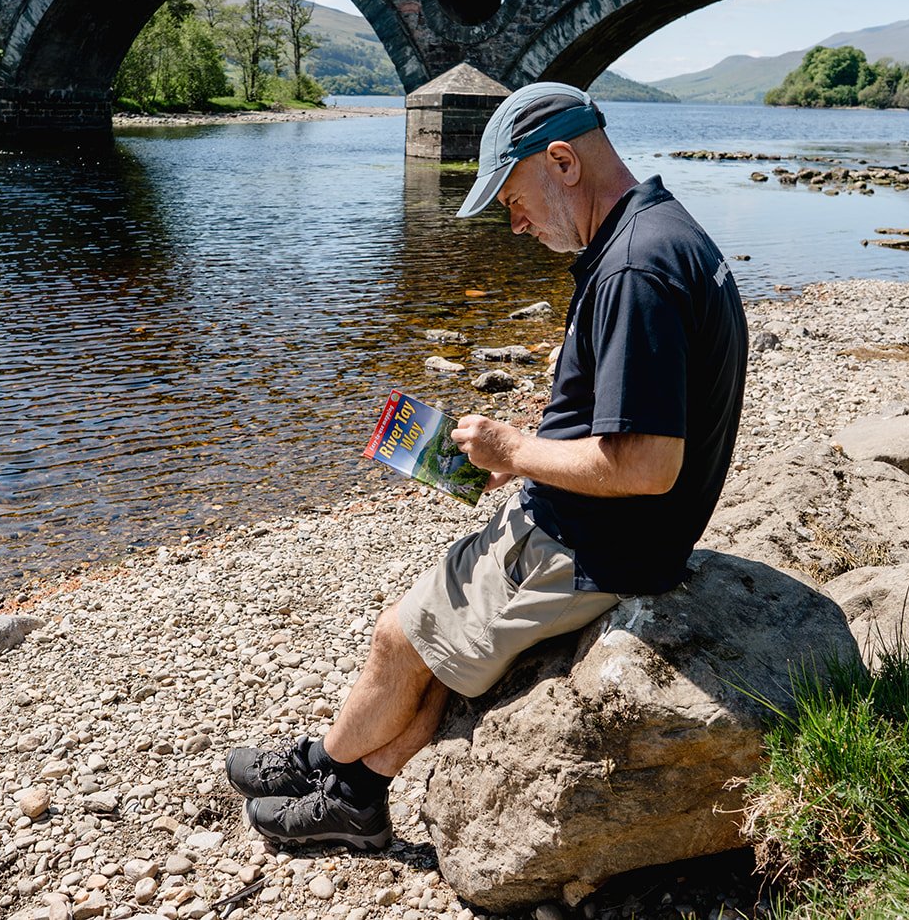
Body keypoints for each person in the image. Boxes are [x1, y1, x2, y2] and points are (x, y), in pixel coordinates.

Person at [226, 81, 748, 849]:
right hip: (607, 528)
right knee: (437, 645)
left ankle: (329, 777)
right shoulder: (659, 234)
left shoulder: (634, 269)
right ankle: (353, 784)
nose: (514, 222)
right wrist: (523, 461)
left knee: (396, 638)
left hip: (591, 546)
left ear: (562, 161)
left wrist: (513, 449)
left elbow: (646, 464)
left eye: (512, 195)